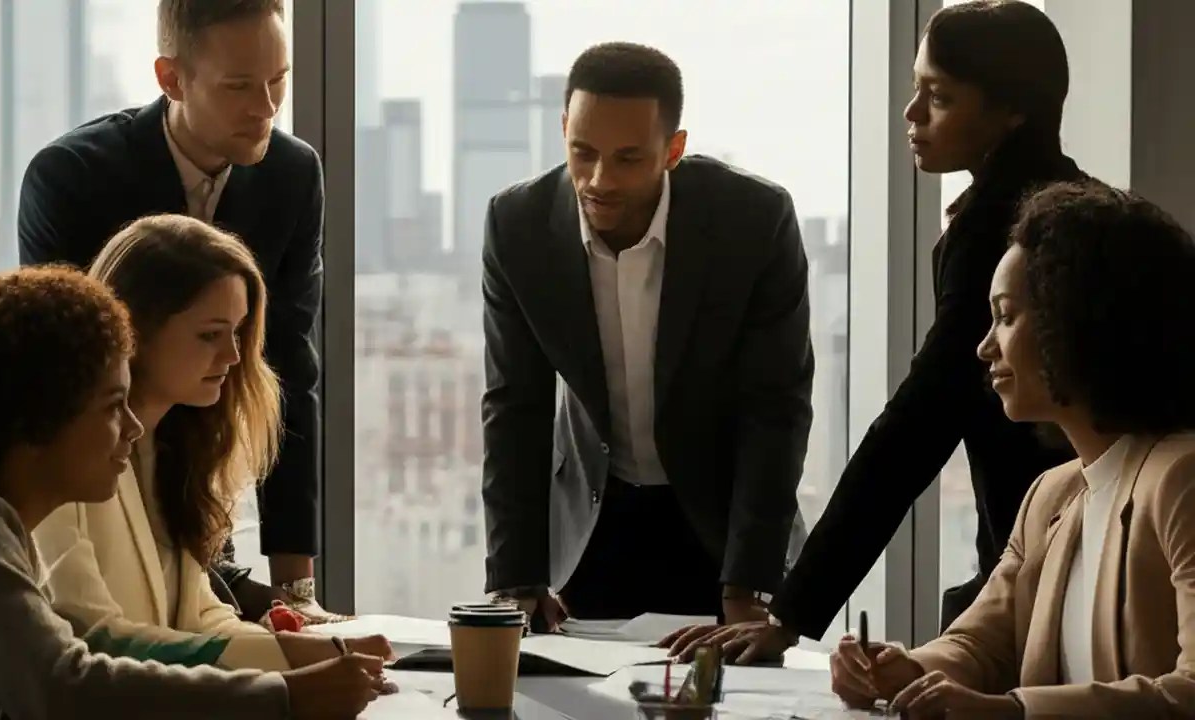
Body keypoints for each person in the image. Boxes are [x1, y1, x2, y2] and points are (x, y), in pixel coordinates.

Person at [665, 0, 1085, 662]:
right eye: (916, 89)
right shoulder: (1079, 207)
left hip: (1065, 566)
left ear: (1011, 110)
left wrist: (793, 612)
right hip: (1043, 554)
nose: (911, 113)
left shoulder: (1002, 235)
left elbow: (917, 426)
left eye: (939, 96)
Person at [0, 266, 386, 719]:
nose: (134, 428)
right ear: (39, 419)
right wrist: (286, 695)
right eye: (113, 407)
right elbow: (62, 688)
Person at [828, 181, 1195, 718]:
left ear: (1077, 320)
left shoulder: (1181, 480)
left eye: (1005, 316)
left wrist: (1014, 711)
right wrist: (901, 669)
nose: (984, 346)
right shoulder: (1052, 494)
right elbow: (980, 646)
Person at [482, 41, 814, 628]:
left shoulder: (755, 221)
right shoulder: (518, 227)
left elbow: (777, 409)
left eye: (628, 159)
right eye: (582, 151)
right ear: (562, 128)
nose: (598, 179)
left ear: (674, 149)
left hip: (722, 524)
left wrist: (750, 585)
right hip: (591, 524)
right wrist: (518, 577)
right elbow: (515, 408)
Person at [13, 0, 325, 622]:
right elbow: (56, 375)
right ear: (171, 78)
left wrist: (298, 596)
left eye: (278, 80)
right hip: (69, 477)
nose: (266, 108)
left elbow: (286, 370)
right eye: (239, 86)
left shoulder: (292, 174)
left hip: (194, 478)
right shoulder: (71, 176)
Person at [31, 215, 391, 671]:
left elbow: (202, 618)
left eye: (238, 333)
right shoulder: (60, 458)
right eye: (210, 335)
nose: (234, 356)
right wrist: (304, 659)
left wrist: (319, 653)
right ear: (132, 328)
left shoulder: (172, 455)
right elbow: (92, 636)